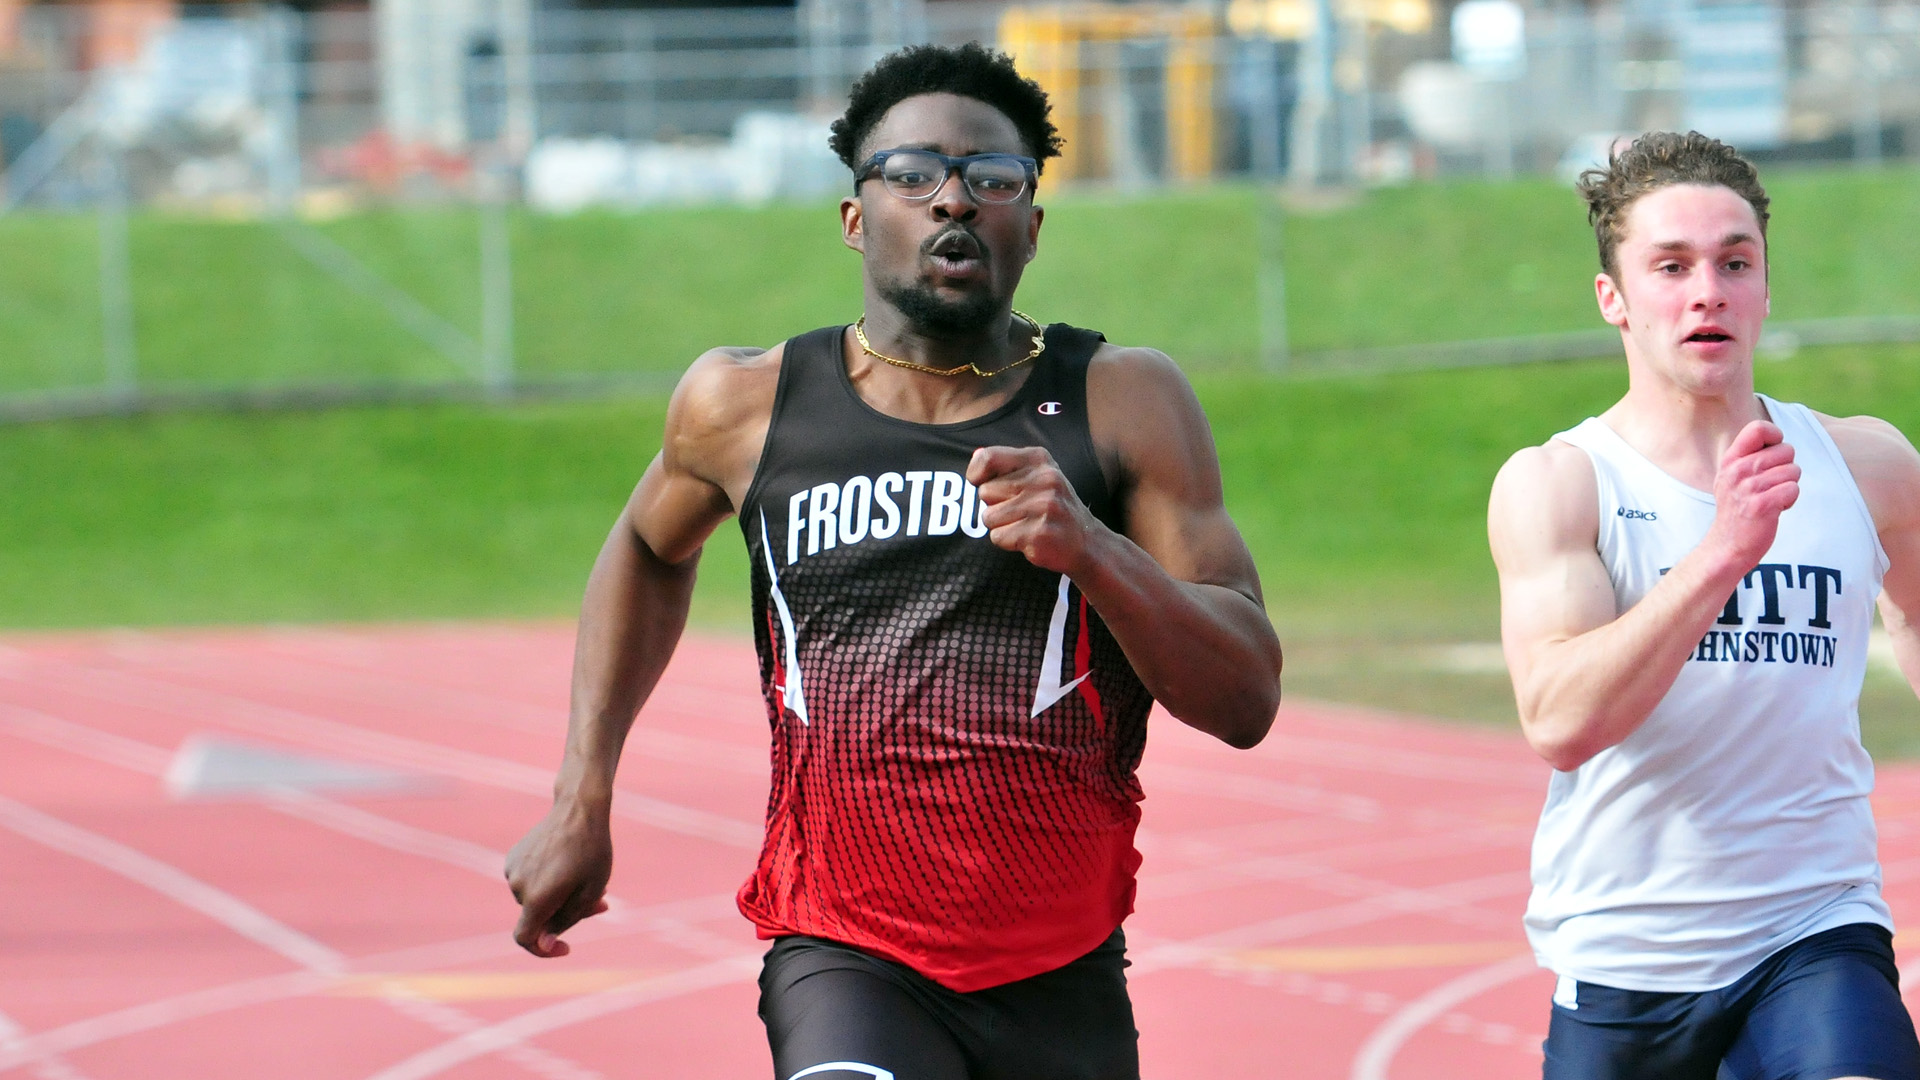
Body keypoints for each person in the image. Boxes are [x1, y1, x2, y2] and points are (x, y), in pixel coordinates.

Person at [504, 42, 1283, 1080]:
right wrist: (582, 795)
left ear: (1031, 227)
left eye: (993, 178)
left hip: (1060, 965)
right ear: (855, 217)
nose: (953, 200)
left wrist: (1096, 553)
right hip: (843, 949)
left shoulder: (1121, 401)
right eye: (913, 174)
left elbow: (1246, 699)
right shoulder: (745, 405)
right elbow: (647, 547)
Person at [1488, 130, 1920, 1079]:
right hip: (1627, 953)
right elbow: (1560, 722)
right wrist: (1722, 554)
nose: (1707, 292)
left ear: (1766, 287)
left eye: (1734, 263)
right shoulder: (1563, 484)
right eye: (1671, 266)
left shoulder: (1868, 466)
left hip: (1816, 927)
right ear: (1613, 298)